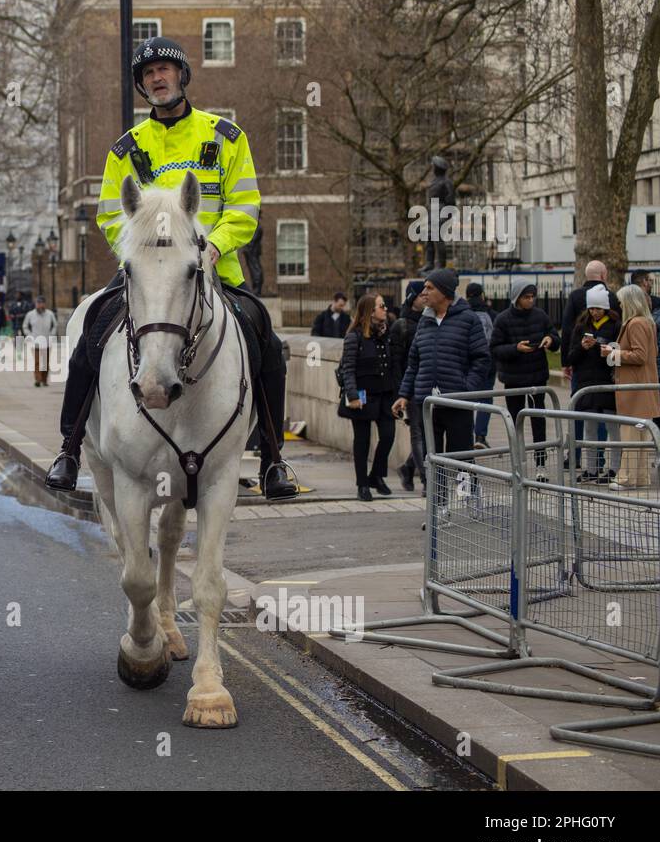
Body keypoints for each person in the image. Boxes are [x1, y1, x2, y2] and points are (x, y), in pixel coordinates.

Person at [44, 36, 297, 500]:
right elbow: (107, 213)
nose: (157, 78)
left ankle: (274, 458)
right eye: (147, 74)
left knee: (267, 341)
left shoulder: (225, 137)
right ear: (142, 87)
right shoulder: (126, 148)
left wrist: (214, 247)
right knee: (91, 334)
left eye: (164, 69)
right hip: (144, 272)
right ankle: (69, 446)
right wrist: (138, 252)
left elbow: (244, 207)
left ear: (182, 76)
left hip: (214, 269)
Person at [392, 269, 491, 504]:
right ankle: (438, 507)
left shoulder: (468, 319)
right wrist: (404, 394)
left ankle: (468, 501)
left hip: (456, 401)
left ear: (445, 293)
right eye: (424, 288)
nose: (424, 292)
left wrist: (466, 388)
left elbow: (482, 358)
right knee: (432, 458)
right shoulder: (425, 321)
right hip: (427, 403)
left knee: (461, 457)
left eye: (429, 288)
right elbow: (414, 361)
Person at [490, 281, 559, 479]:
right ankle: (517, 466)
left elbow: (554, 335)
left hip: (537, 376)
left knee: (539, 422)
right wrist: (515, 348)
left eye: (532, 297)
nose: (530, 300)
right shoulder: (503, 319)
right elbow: (494, 348)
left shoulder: (540, 315)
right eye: (526, 297)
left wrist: (551, 340)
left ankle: (540, 465)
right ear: (517, 298)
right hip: (514, 378)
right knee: (515, 422)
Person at [561, 260, 621, 471]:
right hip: (586, 378)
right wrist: (582, 349)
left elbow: (617, 353)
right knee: (589, 426)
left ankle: (612, 468)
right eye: (592, 308)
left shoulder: (614, 325)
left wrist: (605, 349)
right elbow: (571, 351)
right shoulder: (581, 325)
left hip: (605, 378)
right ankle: (591, 467)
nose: (595, 312)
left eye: (598, 308)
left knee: (612, 426)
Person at [339, 294, 397, 501]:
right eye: (382, 306)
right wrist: (353, 395)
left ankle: (376, 475)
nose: (385, 309)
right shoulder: (354, 336)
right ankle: (362, 483)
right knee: (362, 442)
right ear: (370, 311)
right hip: (363, 395)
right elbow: (348, 369)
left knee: (388, 436)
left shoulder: (387, 333)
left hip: (386, 394)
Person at [607, 284, 660, 490]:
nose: (619, 305)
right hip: (644, 387)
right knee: (642, 435)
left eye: (621, 302)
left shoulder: (635, 323)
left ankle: (626, 477)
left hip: (635, 389)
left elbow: (639, 355)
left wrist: (613, 354)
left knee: (630, 435)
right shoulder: (648, 322)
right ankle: (640, 477)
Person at [390, 281, 428, 492]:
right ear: (411, 297)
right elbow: (396, 363)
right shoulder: (401, 325)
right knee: (418, 434)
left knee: (428, 433)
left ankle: (407, 467)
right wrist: (401, 393)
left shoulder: (430, 320)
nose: (425, 297)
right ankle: (426, 480)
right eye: (421, 294)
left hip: (431, 385)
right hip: (411, 387)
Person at [631, 269, 660, 434]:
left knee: (659, 413)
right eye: (649, 280)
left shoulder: (658, 306)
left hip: (658, 368)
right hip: (648, 371)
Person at [465, 281, 497, 447]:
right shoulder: (491, 314)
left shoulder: (463, 313)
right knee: (485, 399)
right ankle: (480, 436)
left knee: (467, 399)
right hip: (488, 363)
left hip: (468, 363)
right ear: (482, 295)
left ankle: (467, 435)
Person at [420, 156, 456, 273]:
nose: (432, 169)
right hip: (433, 211)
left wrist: (446, 215)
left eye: (434, 167)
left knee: (438, 237)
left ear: (437, 168)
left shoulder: (447, 182)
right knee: (429, 237)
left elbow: (451, 201)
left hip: (442, 211)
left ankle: (441, 263)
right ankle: (429, 263)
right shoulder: (434, 182)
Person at [22, 295, 57, 387]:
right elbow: (25, 326)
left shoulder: (50, 314)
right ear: (35, 304)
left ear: (44, 304)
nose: (39, 305)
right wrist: (30, 335)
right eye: (38, 303)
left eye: (41, 303)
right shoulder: (30, 314)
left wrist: (52, 334)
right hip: (35, 342)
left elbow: (55, 325)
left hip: (47, 341)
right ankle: (38, 380)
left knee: (45, 362)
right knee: (37, 362)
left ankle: (44, 380)